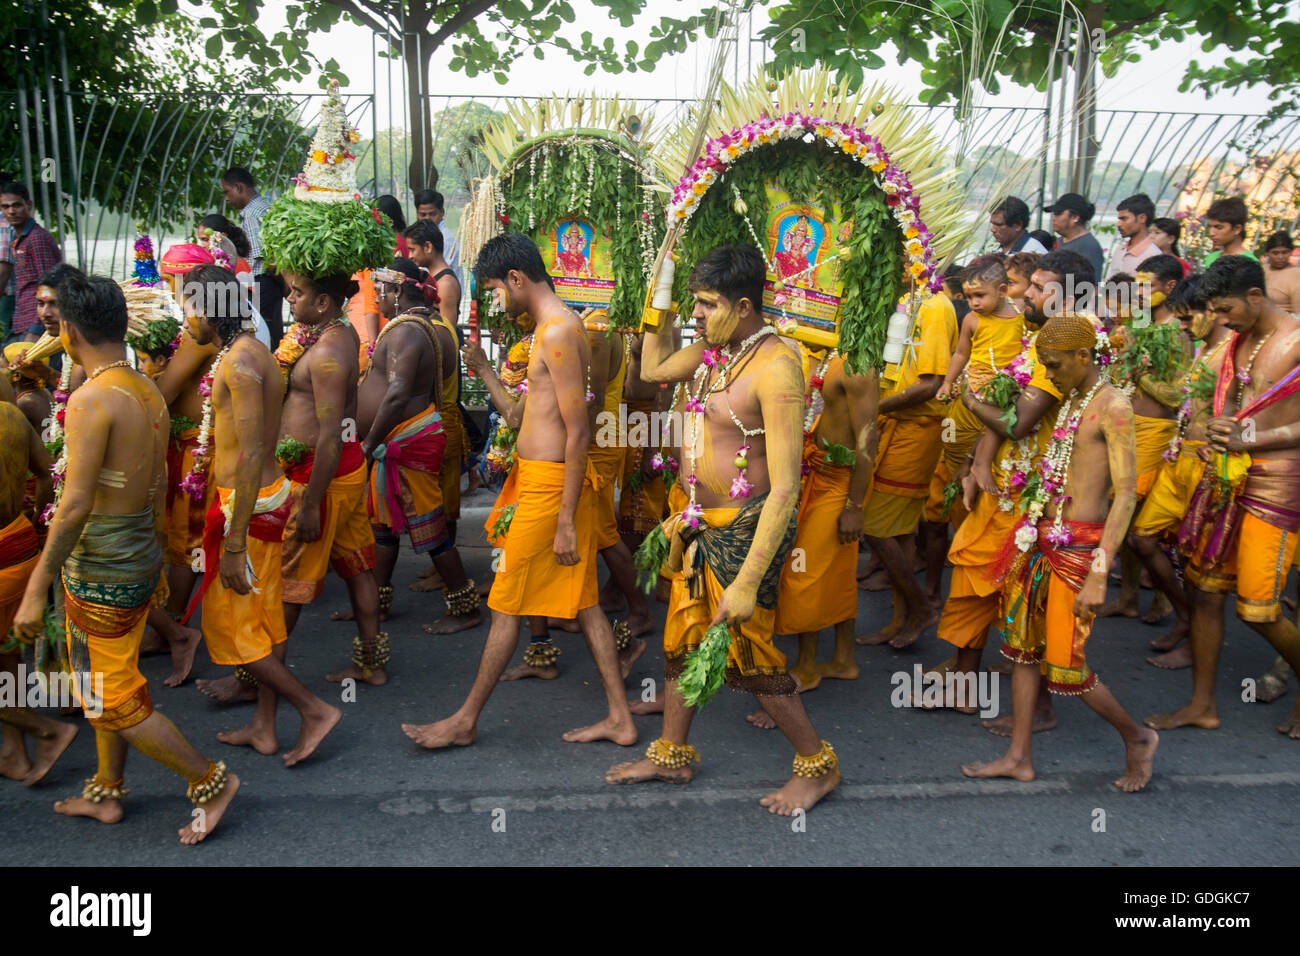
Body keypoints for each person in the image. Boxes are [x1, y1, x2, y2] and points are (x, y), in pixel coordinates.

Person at [605, 244, 839, 816]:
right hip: (696, 523)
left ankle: (818, 765)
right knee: (684, 640)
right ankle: (671, 753)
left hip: (746, 531)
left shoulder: (777, 367)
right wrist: (660, 289)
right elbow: (654, 368)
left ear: (743, 304)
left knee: (748, 658)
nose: (699, 316)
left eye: (708, 305)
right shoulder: (718, 352)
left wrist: (746, 579)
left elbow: (784, 488)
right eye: (695, 304)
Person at [10, 274, 239, 844]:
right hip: (133, 555)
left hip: (105, 563)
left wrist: (36, 587)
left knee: (109, 693)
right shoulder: (143, 389)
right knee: (108, 679)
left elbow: (75, 504)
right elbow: (154, 478)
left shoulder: (92, 399)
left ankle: (210, 780)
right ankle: (107, 790)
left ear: (68, 330)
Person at [401, 232, 636, 750]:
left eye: (495, 289)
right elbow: (521, 416)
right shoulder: (555, 329)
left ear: (516, 279)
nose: (498, 301)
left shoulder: (558, 333)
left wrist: (568, 518)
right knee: (588, 604)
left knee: (506, 602)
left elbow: (579, 430)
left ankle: (465, 720)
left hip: (551, 490)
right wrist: (484, 370)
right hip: (534, 479)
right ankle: (621, 717)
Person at [962, 312, 1158, 791]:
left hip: (1081, 547)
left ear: (1084, 357)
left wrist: (1100, 570)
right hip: (1041, 535)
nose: (1047, 375)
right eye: (1044, 365)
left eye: (1054, 365)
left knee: (1067, 666)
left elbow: (1126, 493)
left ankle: (1137, 738)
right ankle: (1019, 757)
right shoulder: (1073, 399)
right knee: (1023, 652)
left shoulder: (1113, 405)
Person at [177, 264, 341, 763]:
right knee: (266, 623)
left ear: (207, 310)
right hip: (252, 500)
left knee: (237, 630)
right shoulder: (245, 353)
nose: (185, 320)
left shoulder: (241, 363)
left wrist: (232, 539)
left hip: (246, 508)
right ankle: (265, 727)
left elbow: (250, 454)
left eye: (187, 308)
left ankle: (314, 710)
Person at [935, 249, 1094, 731]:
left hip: (1032, 493)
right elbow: (1007, 406)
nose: (1028, 292)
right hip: (1001, 482)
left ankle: (1016, 701)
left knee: (1006, 587)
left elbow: (1019, 421)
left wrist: (968, 396)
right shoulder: (1036, 340)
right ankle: (968, 685)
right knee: (974, 575)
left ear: (1067, 297)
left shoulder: (1060, 353)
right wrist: (976, 461)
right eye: (1031, 284)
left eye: (1040, 287)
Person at [1150, 255, 1300, 738]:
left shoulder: (1295, 337)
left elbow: (1258, 427)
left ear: (1256, 296)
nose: (1218, 319)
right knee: (1206, 591)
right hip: (1225, 479)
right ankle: (1202, 705)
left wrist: (1247, 439)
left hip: (1278, 485)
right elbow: (1234, 406)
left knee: (1258, 609)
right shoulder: (1238, 341)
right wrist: (1221, 425)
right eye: (1213, 310)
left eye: (1225, 309)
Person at [352, 258, 480, 638]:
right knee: (384, 528)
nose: (377, 298)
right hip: (399, 439)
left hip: (405, 440)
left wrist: (369, 442)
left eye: (381, 290)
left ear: (397, 291)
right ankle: (376, 605)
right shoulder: (420, 326)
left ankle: (464, 606)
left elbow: (396, 393)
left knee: (430, 529)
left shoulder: (408, 331)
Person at [1128, 276, 1230, 668]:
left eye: (1187, 319)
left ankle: (1193, 632)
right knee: (1143, 538)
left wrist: (1141, 376)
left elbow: (1175, 397)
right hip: (1180, 455)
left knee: (1196, 560)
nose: (1181, 326)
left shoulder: (1227, 352)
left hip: (1205, 463)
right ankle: (1185, 616)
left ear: (1212, 310)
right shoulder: (1205, 348)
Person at [768, 349, 878, 698]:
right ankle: (844, 659)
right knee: (839, 570)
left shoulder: (856, 364)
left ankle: (807, 664)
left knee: (804, 571)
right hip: (816, 472)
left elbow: (868, 438)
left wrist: (854, 505)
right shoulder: (821, 352)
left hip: (841, 482)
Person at [1096, 254, 1190, 623]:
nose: (1139, 292)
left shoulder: (1179, 333)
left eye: (1148, 286)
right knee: (1124, 519)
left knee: (1141, 527)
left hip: (1155, 433)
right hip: (1126, 428)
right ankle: (1130, 596)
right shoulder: (1137, 323)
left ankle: (1168, 603)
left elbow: (1175, 395)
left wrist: (1139, 375)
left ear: (1169, 287)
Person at [861, 283, 957, 643]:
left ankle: (920, 608)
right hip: (895, 424)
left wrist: (874, 409)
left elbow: (931, 383)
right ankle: (901, 622)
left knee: (875, 525)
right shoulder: (907, 299)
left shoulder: (935, 306)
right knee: (898, 529)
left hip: (916, 429)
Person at [0, 391, 72, 786]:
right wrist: (40, 524)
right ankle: (14, 753)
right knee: (7, 658)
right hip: (20, 546)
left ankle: (48, 730)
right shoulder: (10, 415)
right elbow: (48, 473)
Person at [220, 167, 282, 346]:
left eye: (227, 192)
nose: (227, 198)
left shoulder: (250, 213)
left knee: (259, 334)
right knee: (274, 331)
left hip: (261, 282)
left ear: (239, 187)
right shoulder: (267, 206)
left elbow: (262, 256)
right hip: (273, 285)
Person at [1, 182, 62, 346]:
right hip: (21, 322)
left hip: (37, 327)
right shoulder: (20, 240)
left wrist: (35, 330)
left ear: (29, 205)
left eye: (17, 205)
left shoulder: (36, 239)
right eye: (5, 207)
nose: (11, 211)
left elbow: (50, 285)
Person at [1045, 192, 1104, 285]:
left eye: (1058, 213)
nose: (1054, 218)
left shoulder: (1089, 246)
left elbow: (1092, 286)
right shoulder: (1060, 241)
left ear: (1075, 217)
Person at [413, 189, 463, 290]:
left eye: (432, 214)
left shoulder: (446, 240)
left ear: (442, 212)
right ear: (417, 213)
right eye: (423, 215)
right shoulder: (422, 235)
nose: (427, 219)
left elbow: (438, 274)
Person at [1109, 193, 1159, 278]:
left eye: (1124, 219)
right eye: (1119, 219)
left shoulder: (1153, 256)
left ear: (1142, 218)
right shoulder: (1120, 250)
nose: (1119, 224)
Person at [1201, 196, 1256, 267]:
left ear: (1237, 229)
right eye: (1210, 227)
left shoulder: (1249, 264)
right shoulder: (1212, 257)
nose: (1211, 233)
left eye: (1219, 227)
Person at [1263, 231, 1300, 313]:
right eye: (1275, 253)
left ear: (1291, 252)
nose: (1280, 257)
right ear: (1267, 253)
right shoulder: (1261, 270)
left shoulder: (1296, 275)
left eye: (1285, 252)